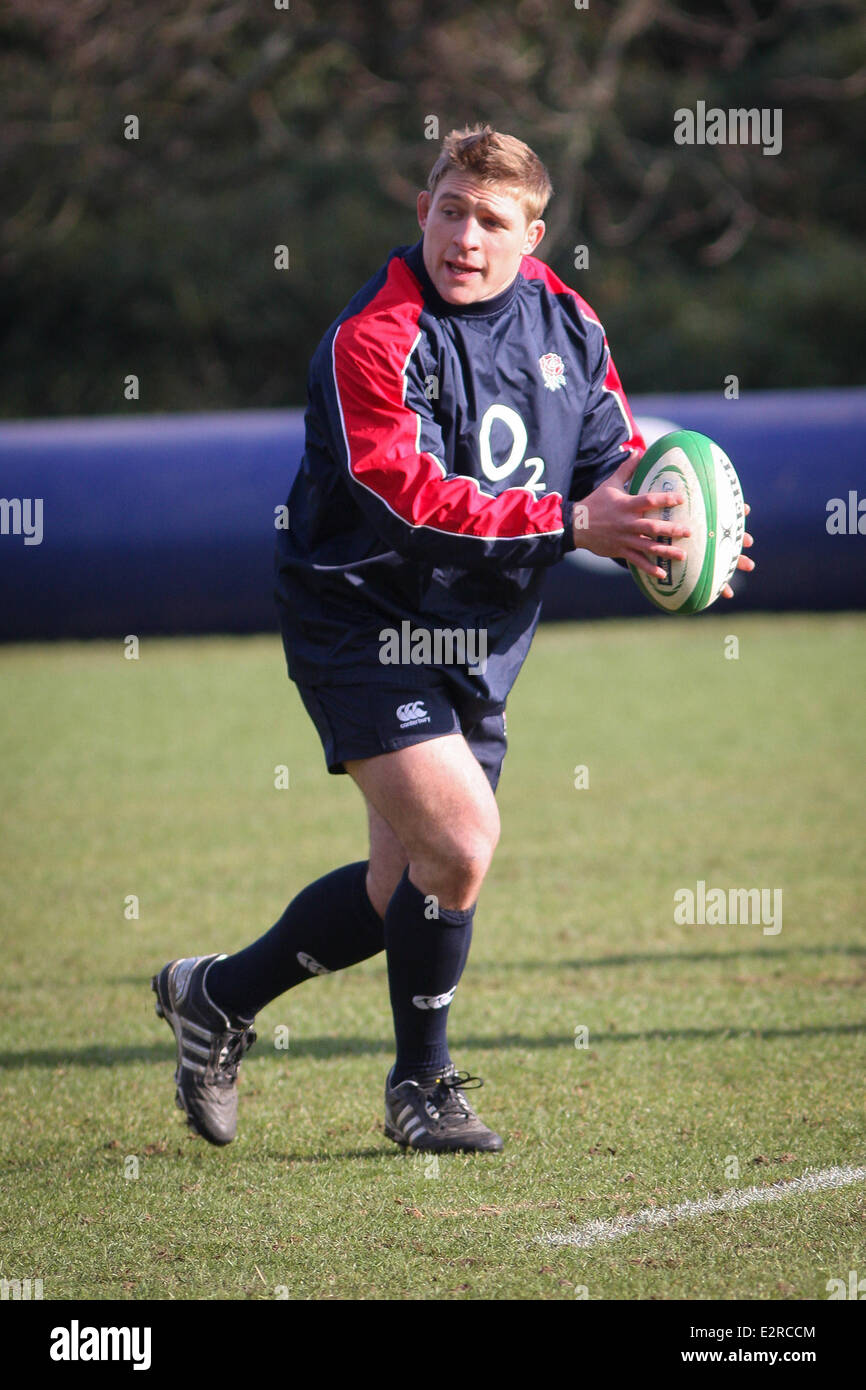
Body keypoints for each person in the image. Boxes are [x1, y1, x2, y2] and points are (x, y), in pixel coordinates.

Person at [152, 125, 754, 1153]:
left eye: (489, 219)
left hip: (477, 634)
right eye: (447, 209)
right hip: (360, 617)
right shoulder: (373, 337)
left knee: (408, 884)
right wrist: (574, 528)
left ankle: (214, 995)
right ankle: (419, 1089)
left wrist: (665, 532)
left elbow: (606, 459)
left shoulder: (566, 323)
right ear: (421, 209)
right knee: (463, 844)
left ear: (532, 233)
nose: (462, 236)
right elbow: (407, 505)